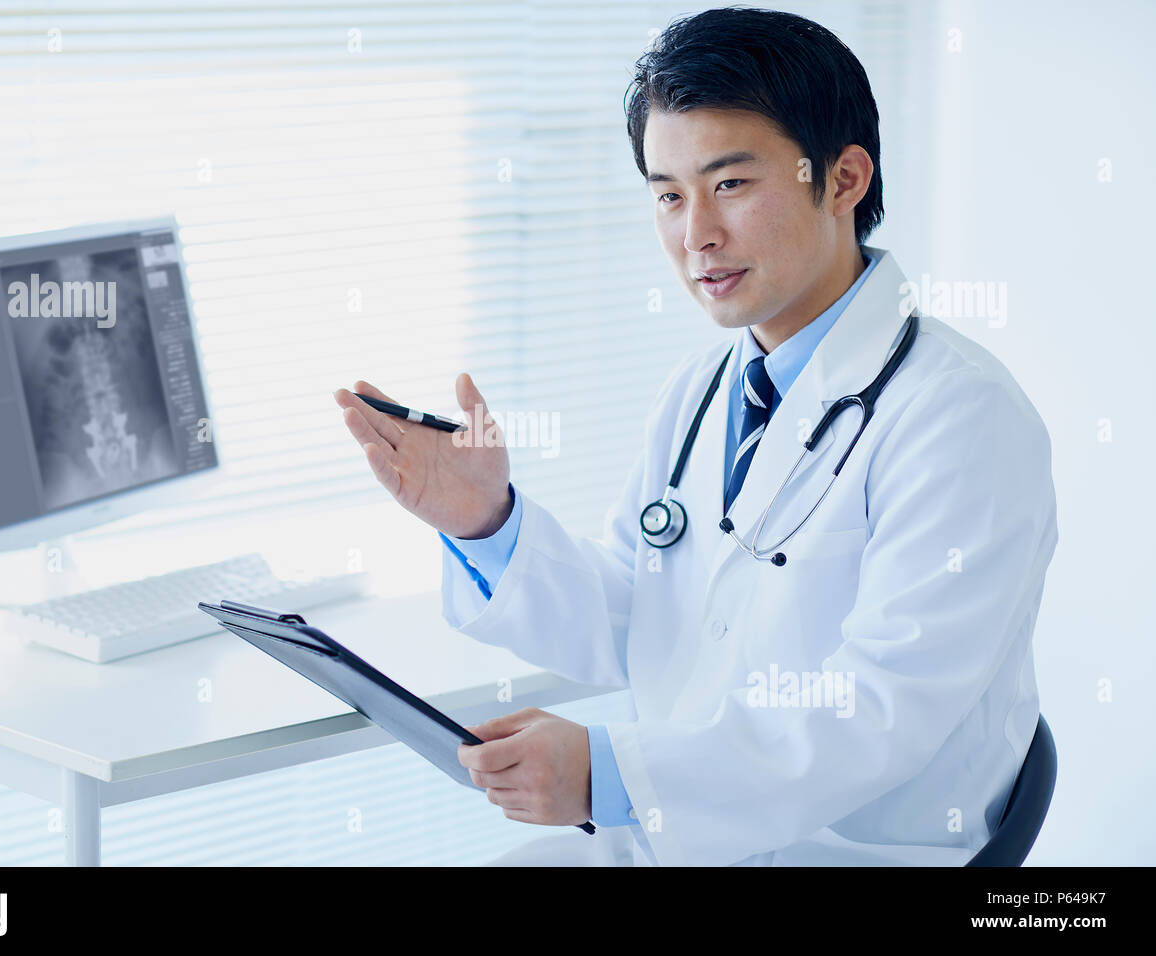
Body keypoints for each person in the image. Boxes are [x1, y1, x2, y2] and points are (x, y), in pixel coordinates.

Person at [333, 6, 1057, 866]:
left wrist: (612, 774)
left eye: (731, 185)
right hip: (688, 835)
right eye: (669, 195)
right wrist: (486, 522)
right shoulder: (704, 389)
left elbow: (878, 711)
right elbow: (645, 622)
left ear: (843, 179)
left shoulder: (961, 418)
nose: (695, 236)